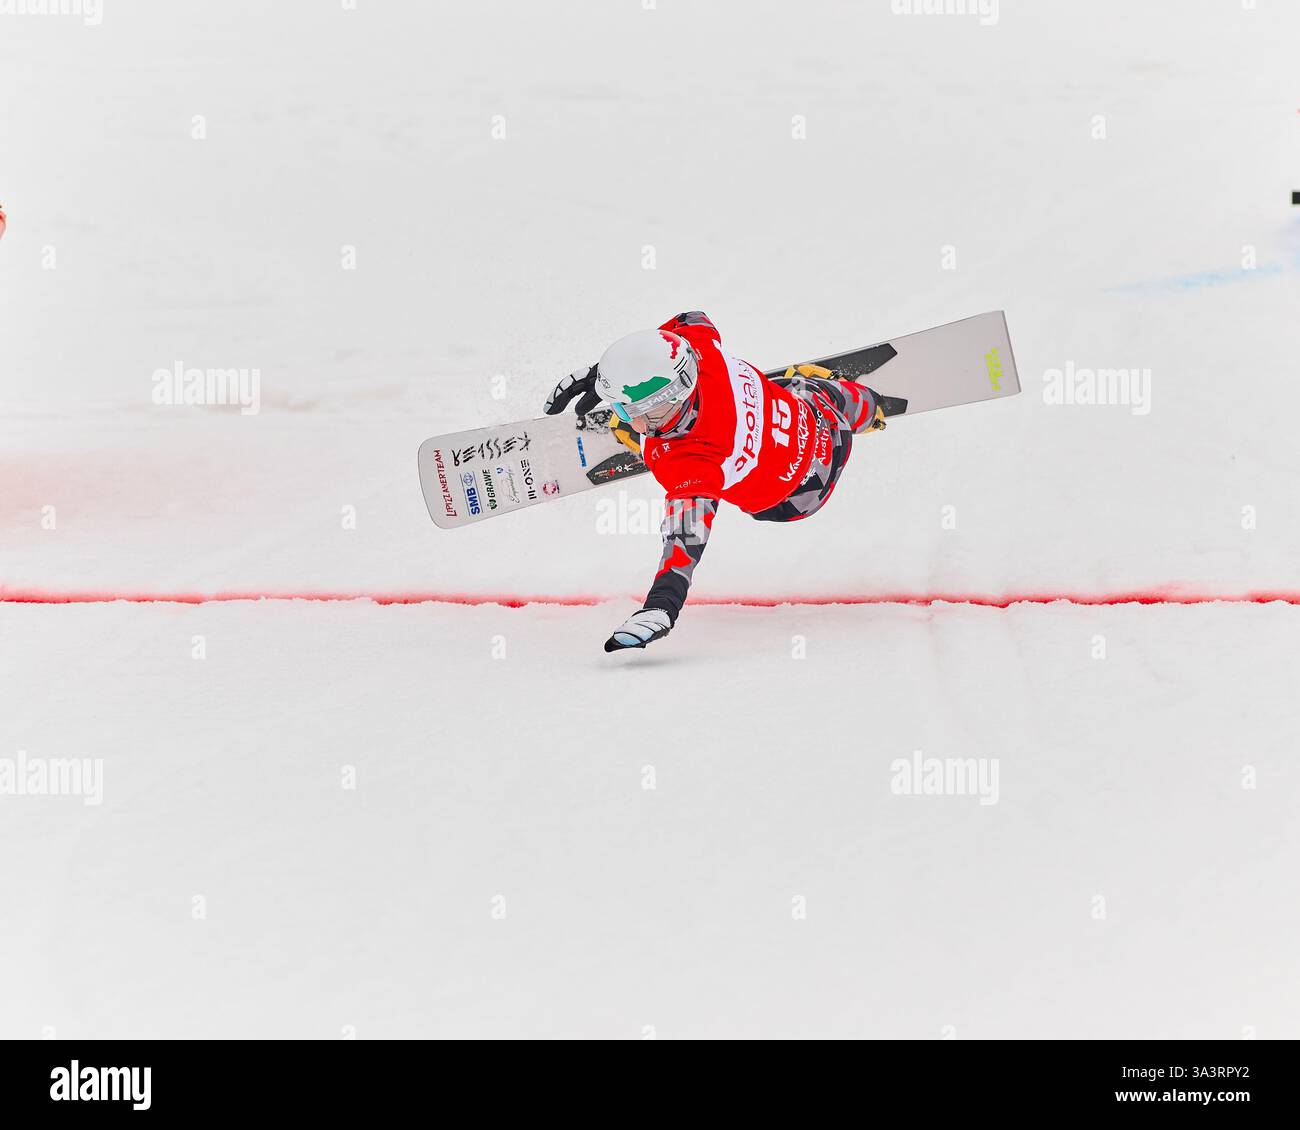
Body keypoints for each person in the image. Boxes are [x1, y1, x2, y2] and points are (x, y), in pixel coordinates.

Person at [544, 311, 886, 652]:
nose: (630, 418)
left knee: (656, 445)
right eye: (621, 410)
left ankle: (845, 403)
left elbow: (685, 539)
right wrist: (608, 375)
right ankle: (867, 405)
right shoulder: (702, 348)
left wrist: (663, 604)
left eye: (631, 412)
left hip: (792, 502)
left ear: (667, 403)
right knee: (803, 390)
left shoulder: (694, 466)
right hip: (820, 416)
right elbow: (693, 319)